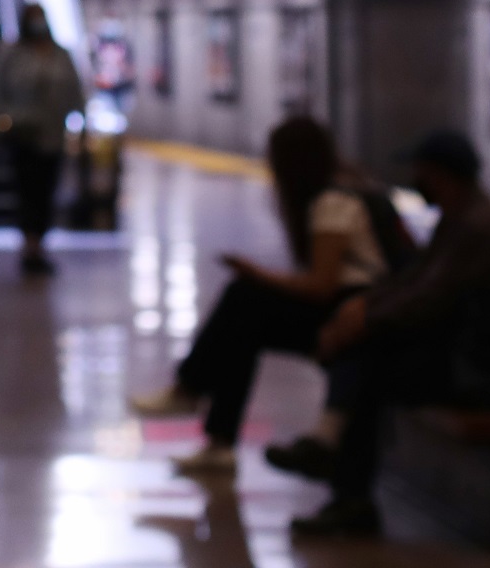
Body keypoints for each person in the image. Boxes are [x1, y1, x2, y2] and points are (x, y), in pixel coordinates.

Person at [278, 128, 490, 540]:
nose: (415, 181)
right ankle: (340, 473)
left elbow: (429, 299)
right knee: (365, 358)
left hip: (483, 363)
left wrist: (363, 321)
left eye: (420, 172)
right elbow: (415, 281)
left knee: (366, 366)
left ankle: (344, 481)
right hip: (469, 348)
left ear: (439, 174)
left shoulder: (474, 226)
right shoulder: (462, 216)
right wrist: (360, 310)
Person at [127, 116, 406, 475]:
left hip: (353, 311)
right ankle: (212, 431)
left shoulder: (332, 202)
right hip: (351, 305)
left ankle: (192, 395)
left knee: (245, 299)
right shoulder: (343, 190)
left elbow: (322, 285)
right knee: (243, 323)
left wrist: (258, 274)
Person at [0, 3, 86, 277]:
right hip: (22, 136)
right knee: (27, 191)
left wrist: (82, 125)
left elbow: (75, 91)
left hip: (52, 136)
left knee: (46, 191)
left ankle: (40, 243)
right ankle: (29, 246)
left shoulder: (60, 55)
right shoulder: (11, 55)